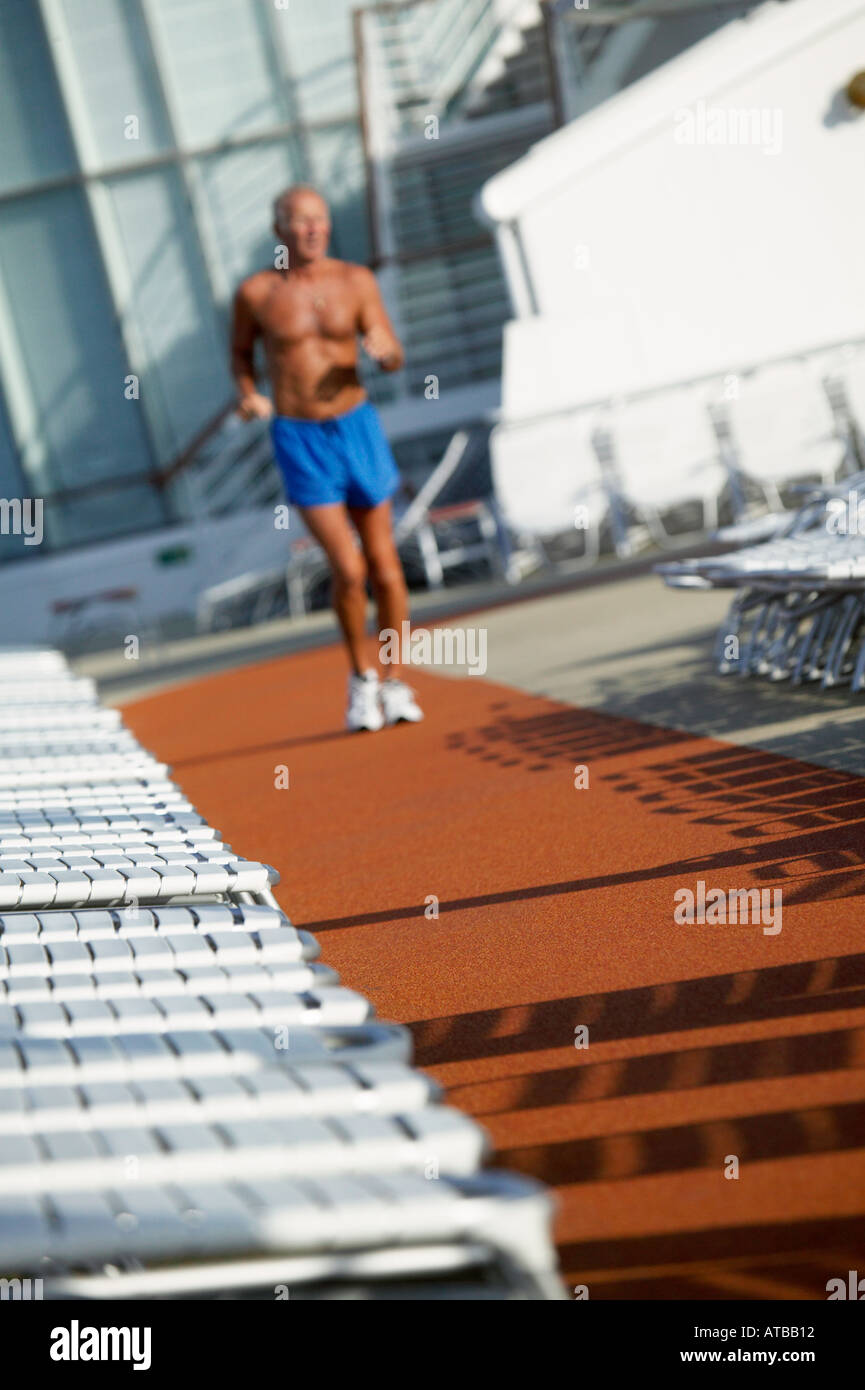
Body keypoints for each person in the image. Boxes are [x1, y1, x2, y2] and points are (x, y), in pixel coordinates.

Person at [230, 185, 423, 732]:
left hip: (357, 427)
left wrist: (388, 356)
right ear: (279, 231)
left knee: (386, 568)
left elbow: (388, 345)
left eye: (319, 220)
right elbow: (240, 355)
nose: (312, 230)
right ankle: (362, 680)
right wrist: (248, 393)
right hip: (299, 436)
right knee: (347, 567)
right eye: (299, 221)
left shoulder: (355, 281)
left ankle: (395, 680)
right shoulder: (256, 293)